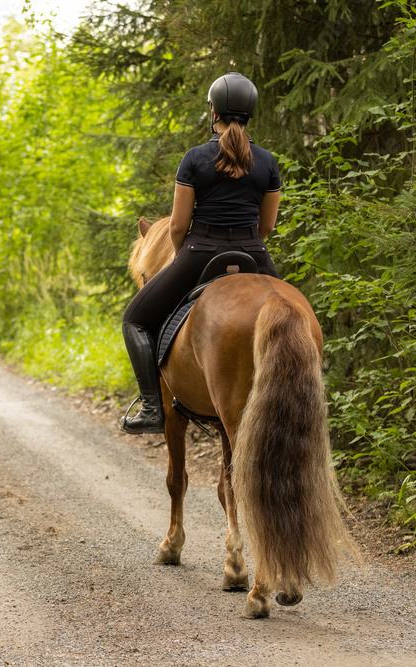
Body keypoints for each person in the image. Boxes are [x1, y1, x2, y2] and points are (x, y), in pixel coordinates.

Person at [120, 72, 283, 435]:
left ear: (214, 112)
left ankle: (151, 409)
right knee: (294, 319)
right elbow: (267, 225)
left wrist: (182, 259)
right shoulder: (268, 161)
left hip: (199, 252)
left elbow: (178, 226)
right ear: (250, 115)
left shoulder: (194, 159)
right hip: (255, 253)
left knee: (134, 319)